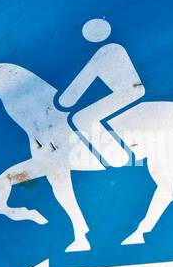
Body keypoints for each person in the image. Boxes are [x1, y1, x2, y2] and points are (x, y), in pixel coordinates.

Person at [59, 17, 144, 167]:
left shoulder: (107, 51)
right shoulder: (112, 49)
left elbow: (81, 84)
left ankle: (117, 156)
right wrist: (67, 100)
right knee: (81, 116)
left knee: (82, 117)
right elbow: (82, 83)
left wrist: (65, 101)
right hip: (127, 90)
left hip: (128, 92)